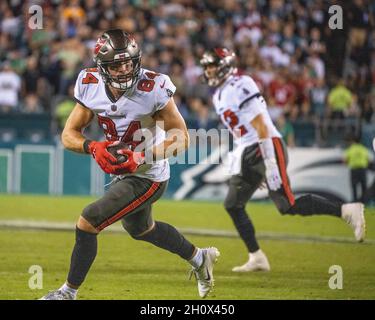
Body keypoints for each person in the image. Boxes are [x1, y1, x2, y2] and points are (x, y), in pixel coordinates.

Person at [40, 30, 219, 300]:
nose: (124, 70)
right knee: (142, 229)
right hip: (124, 172)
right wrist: (93, 146)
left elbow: (181, 137)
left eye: (128, 62)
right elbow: (69, 134)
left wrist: (142, 157)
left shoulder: (154, 87)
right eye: (115, 64)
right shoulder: (89, 83)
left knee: (88, 220)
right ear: (102, 67)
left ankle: (67, 293)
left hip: (148, 174)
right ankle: (199, 258)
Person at [200, 48, 366, 272]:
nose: (209, 71)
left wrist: (267, 163)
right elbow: (240, 133)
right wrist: (247, 166)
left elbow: (261, 124)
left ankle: (347, 210)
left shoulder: (241, 84)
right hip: (249, 151)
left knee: (287, 205)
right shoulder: (218, 94)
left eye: (212, 66)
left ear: (225, 65)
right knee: (233, 204)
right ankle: (257, 257)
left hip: (267, 146)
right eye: (207, 67)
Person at [344, 136, 370, 202]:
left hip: (354, 170)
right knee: (363, 187)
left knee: (354, 187)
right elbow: (368, 159)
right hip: (363, 170)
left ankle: (355, 202)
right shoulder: (363, 148)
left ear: (353, 141)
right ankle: (364, 202)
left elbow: (345, 161)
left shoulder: (350, 149)